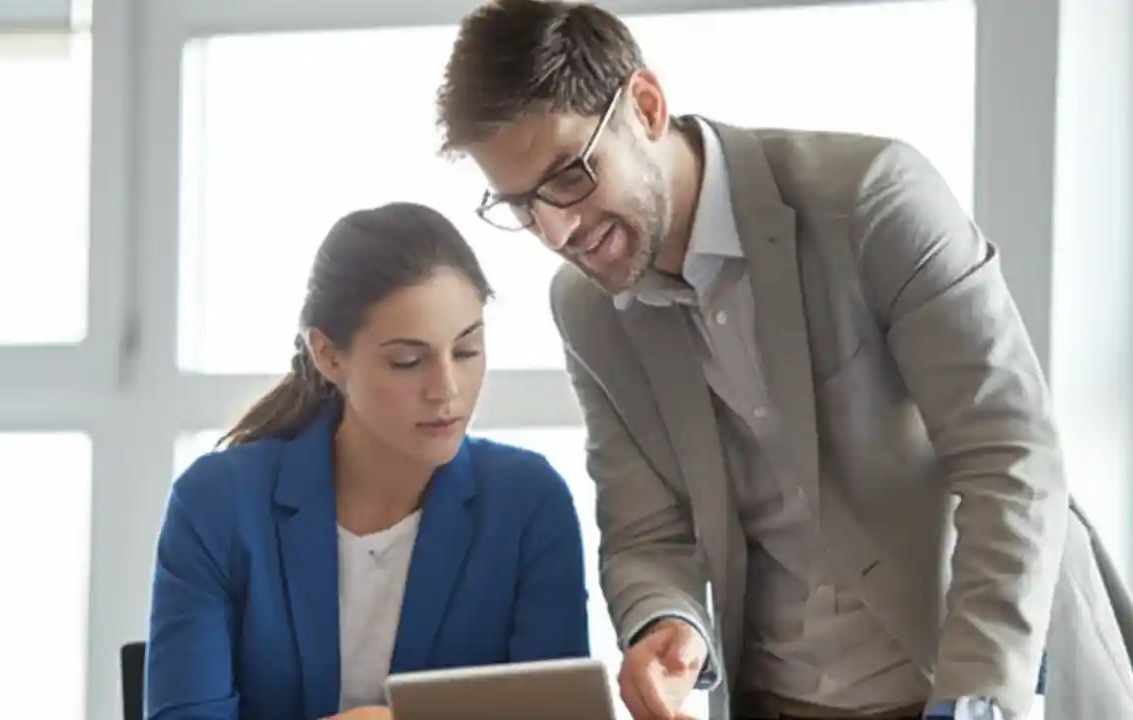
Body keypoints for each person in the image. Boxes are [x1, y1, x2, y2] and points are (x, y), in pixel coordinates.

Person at [434, 2, 1133, 719]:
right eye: (522, 205)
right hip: (786, 697)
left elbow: (1011, 458)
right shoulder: (586, 308)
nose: (558, 229)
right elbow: (648, 530)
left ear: (644, 105)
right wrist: (667, 623)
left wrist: (975, 702)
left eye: (571, 175)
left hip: (981, 678)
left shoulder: (875, 198)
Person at [144, 202, 590, 720]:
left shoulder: (528, 504)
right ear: (329, 356)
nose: (446, 390)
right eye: (408, 361)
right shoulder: (217, 504)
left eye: (467, 351)